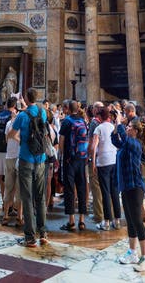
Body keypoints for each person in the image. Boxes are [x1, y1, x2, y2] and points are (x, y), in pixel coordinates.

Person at [8, 86, 48, 248]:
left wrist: (20, 140)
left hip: (26, 158)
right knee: (40, 197)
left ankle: (30, 237)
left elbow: (11, 133)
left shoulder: (21, 116)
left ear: (26, 97)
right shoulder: (42, 112)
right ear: (37, 98)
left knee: (27, 197)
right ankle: (43, 233)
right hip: (41, 158)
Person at [113, 117, 145, 273]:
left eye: (129, 126)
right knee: (129, 220)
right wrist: (116, 126)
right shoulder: (126, 144)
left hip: (135, 186)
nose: (127, 128)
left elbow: (124, 138)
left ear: (135, 130)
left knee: (137, 221)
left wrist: (120, 124)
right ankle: (133, 253)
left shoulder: (136, 144)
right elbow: (115, 140)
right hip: (126, 186)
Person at [58, 99, 89, 231]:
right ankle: (82, 220)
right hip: (82, 158)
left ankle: (71, 221)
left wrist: (61, 156)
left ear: (68, 109)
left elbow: (61, 141)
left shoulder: (66, 121)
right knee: (82, 188)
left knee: (70, 189)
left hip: (70, 159)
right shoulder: (83, 121)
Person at [92, 105, 121, 230]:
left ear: (99, 116)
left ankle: (107, 222)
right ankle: (117, 220)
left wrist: (93, 162)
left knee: (105, 191)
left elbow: (93, 147)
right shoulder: (113, 127)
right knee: (114, 191)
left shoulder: (98, 128)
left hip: (103, 162)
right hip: (114, 160)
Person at [1, 97, 23, 227]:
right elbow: (8, 138)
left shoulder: (14, 123)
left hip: (16, 157)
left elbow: (8, 138)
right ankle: (10, 215)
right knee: (12, 187)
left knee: (15, 188)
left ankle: (13, 215)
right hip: (13, 156)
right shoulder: (10, 123)